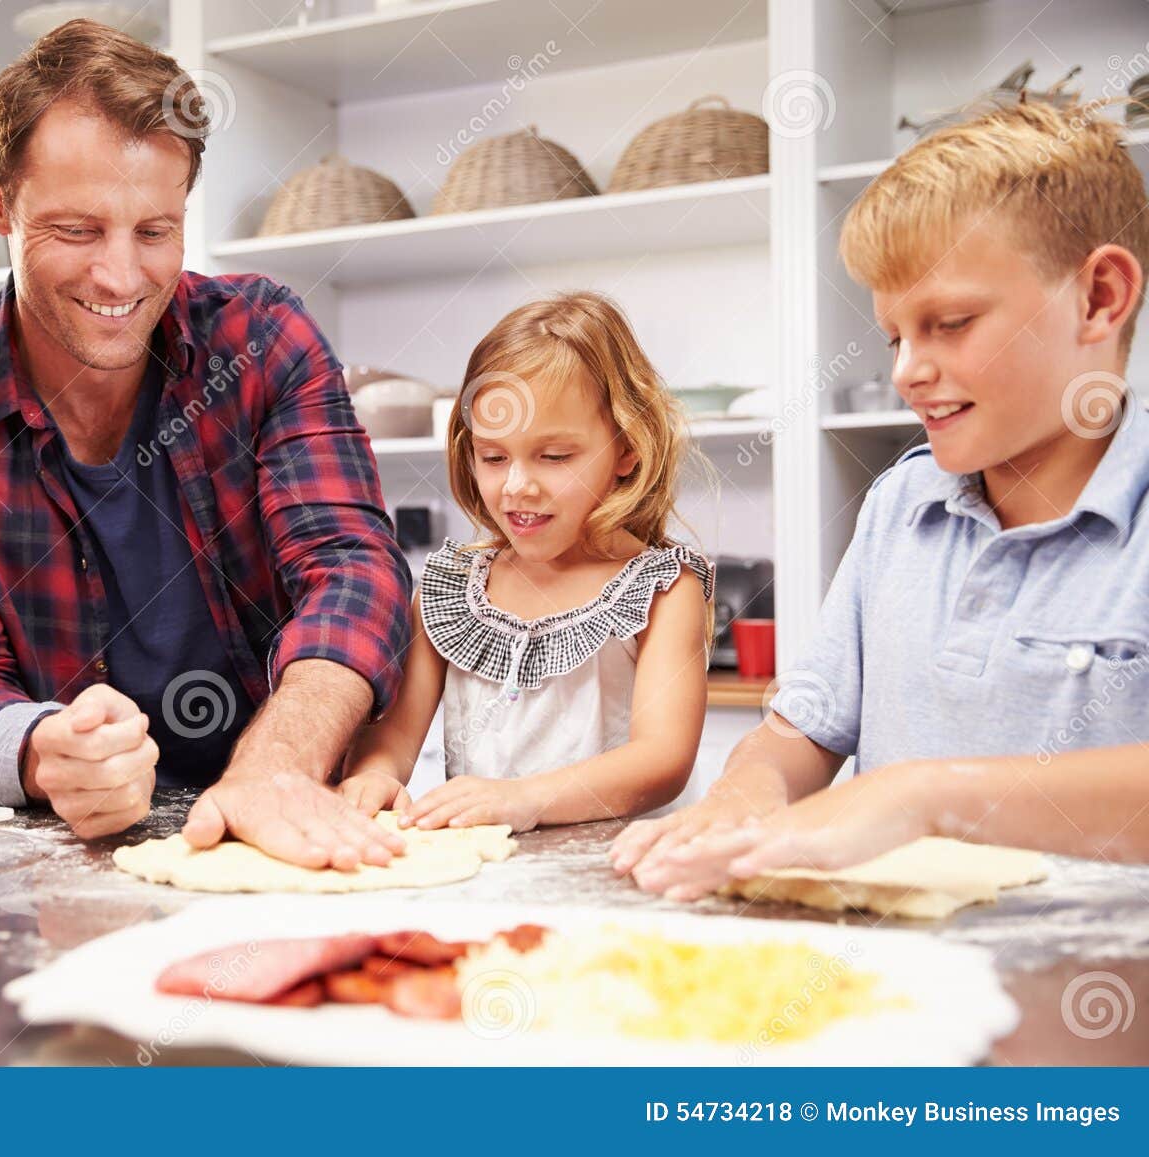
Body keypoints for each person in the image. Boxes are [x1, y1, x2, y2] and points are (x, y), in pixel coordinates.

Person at [0, 19, 412, 870]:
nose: (119, 277)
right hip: (62, 852)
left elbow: (353, 569)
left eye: (154, 232)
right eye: (76, 230)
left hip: (285, 818)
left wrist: (275, 761)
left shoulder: (263, 338)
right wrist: (42, 750)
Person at [610, 102, 1149, 900]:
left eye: (950, 323)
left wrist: (922, 799)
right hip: (899, 977)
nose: (906, 370)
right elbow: (802, 731)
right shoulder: (900, 505)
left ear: (1100, 296)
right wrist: (745, 794)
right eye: (896, 336)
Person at [339, 292, 711, 831]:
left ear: (627, 448)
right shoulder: (451, 588)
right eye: (493, 457)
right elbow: (393, 738)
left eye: (554, 457)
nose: (517, 486)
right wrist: (373, 775)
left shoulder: (663, 590)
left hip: (617, 876)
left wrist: (527, 800)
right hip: (487, 879)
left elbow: (662, 761)